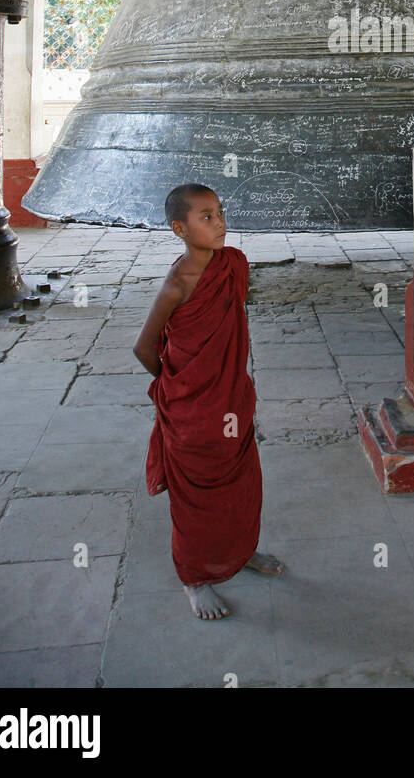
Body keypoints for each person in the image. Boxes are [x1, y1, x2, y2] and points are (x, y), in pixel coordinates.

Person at [133, 183, 283, 619]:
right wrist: (180, 390)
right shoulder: (175, 285)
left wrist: (220, 384)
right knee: (196, 500)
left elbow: (229, 322)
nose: (220, 224)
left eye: (219, 213)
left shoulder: (232, 264)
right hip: (192, 413)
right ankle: (196, 578)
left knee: (242, 486)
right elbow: (144, 348)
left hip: (232, 403)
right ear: (180, 228)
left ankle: (239, 553)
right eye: (206, 217)